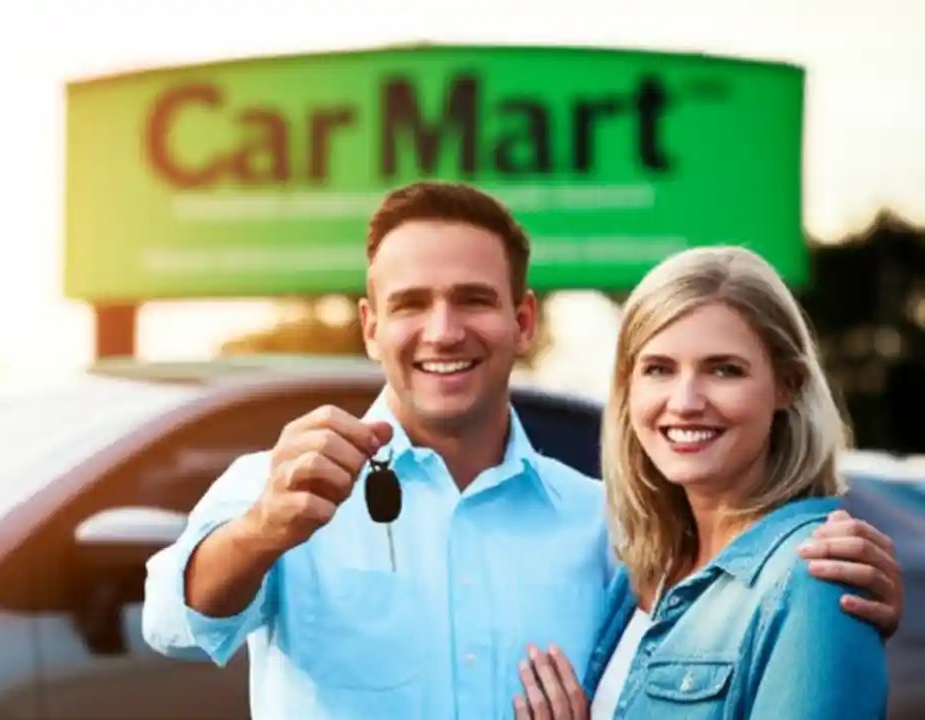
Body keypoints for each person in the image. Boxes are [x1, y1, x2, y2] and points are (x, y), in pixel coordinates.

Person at [142, 182, 903, 720]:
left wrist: (817, 604)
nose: (443, 330)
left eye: (473, 299)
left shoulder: (607, 527)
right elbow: (173, 623)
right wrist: (263, 529)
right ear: (372, 327)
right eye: (411, 304)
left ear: (523, 320)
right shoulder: (280, 490)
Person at [513, 246, 889, 719]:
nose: (685, 402)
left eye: (723, 370)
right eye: (659, 369)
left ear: (788, 385)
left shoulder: (816, 578)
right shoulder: (643, 573)